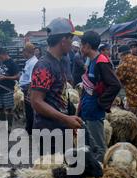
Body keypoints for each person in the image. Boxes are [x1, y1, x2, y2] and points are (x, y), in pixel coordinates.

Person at [30, 17, 84, 154]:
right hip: (49, 133)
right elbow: (36, 101)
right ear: (63, 40)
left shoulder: (58, 62)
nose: (73, 43)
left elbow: (59, 96)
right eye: (71, 38)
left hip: (60, 129)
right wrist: (66, 119)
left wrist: (70, 118)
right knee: (53, 172)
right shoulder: (44, 66)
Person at [79, 31, 121, 163]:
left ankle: (104, 175)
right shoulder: (92, 61)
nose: (80, 48)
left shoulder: (101, 62)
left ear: (86, 45)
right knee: (91, 144)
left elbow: (115, 85)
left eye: (81, 45)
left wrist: (101, 102)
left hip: (94, 110)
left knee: (99, 147)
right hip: (87, 108)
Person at [0, 47, 20, 131]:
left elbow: (17, 76)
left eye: (0, 57)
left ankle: (9, 127)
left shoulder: (12, 63)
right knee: (0, 108)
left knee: (9, 109)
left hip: (8, 89)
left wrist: (6, 77)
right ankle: (1, 126)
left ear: (5, 54)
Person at [19, 42, 39, 134]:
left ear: (27, 52)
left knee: (30, 110)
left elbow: (32, 79)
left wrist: (29, 92)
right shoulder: (30, 62)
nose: (22, 54)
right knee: (28, 110)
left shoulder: (33, 63)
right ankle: (29, 128)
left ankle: (30, 130)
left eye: (23, 52)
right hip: (26, 88)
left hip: (29, 89)